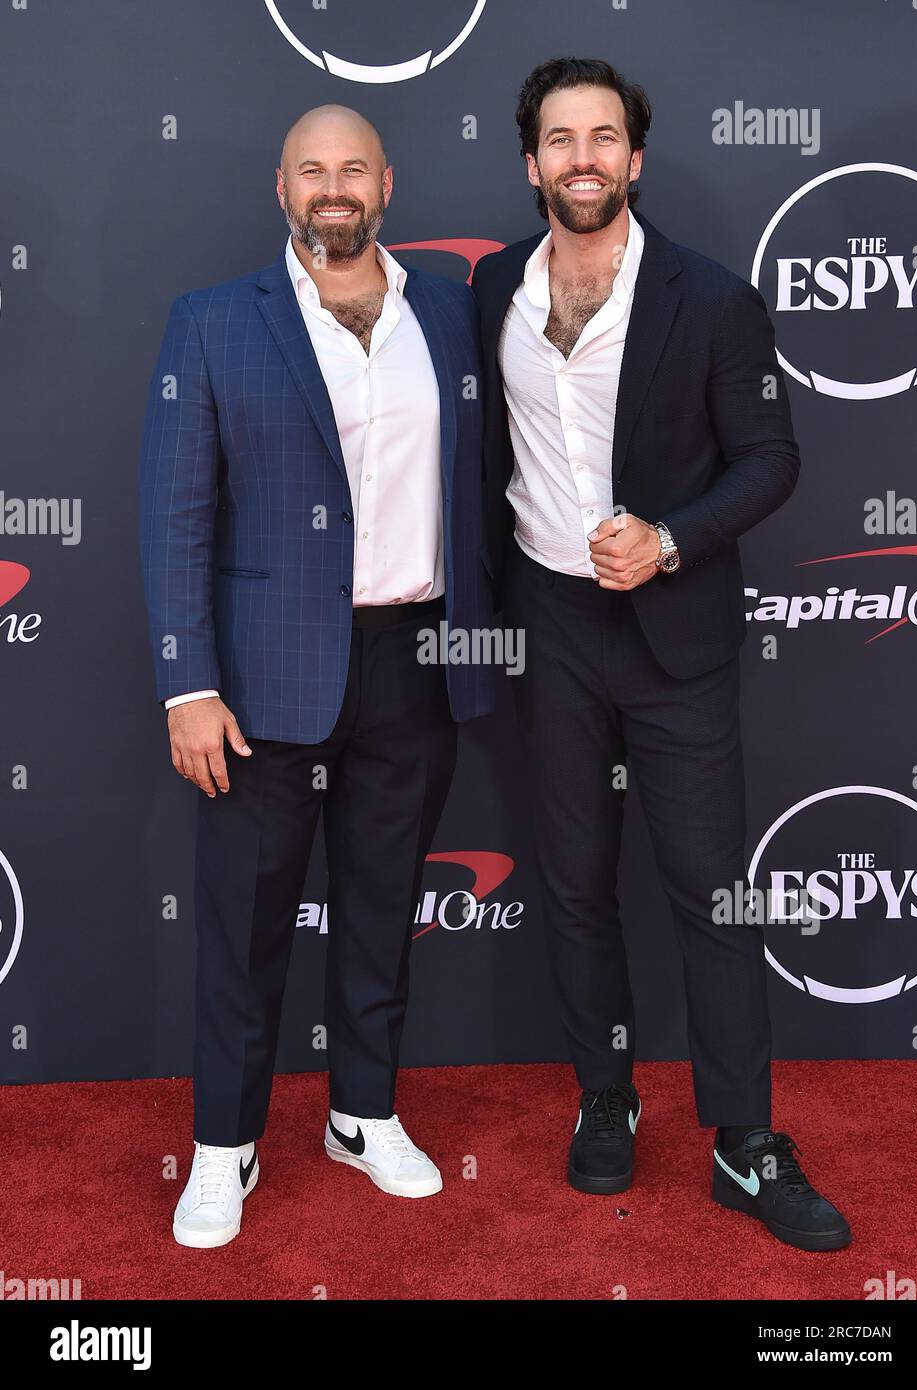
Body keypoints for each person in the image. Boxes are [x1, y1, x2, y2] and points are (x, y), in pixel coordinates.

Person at [471, 57, 851, 1251]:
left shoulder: (714, 298)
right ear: (530, 162)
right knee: (576, 885)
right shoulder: (491, 289)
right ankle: (608, 1095)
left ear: (634, 158)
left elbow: (773, 459)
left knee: (713, 896)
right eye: (558, 138)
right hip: (549, 627)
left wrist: (675, 539)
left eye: (603, 137)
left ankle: (744, 1140)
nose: (581, 157)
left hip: (672, 632)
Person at [139, 105, 494, 1248]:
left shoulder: (450, 308)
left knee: (384, 910)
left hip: (415, 659)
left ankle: (364, 1112)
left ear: (386, 181)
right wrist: (187, 682)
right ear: (279, 186)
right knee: (244, 926)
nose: (332, 188)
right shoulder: (210, 322)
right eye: (311, 170)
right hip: (261, 677)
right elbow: (175, 513)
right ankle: (223, 1147)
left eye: (352, 168)